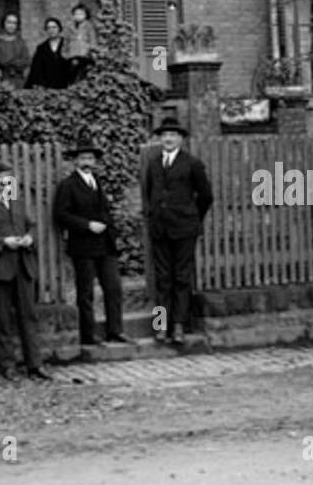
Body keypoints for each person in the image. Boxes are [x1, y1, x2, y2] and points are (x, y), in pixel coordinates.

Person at [0, 160, 51, 380]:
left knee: (28, 317)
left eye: (6, 175)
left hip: (23, 267)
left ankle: (35, 365)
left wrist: (29, 238)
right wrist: (4, 242)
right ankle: (7, 365)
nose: (3, 180)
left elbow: (32, 225)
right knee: (2, 319)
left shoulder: (17, 201)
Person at [140, 117, 213, 345]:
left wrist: (191, 218)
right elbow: (149, 193)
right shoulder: (152, 163)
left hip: (184, 230)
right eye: (164, 135)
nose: (168, 139)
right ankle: (160, 326)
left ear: (180, 139)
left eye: (173, 135)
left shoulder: (192, 163)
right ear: (160, 139)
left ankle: (179, 326)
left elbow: (206, 196)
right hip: (160, 230)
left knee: (182, 278)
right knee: (162, 280)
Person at [53, 140, 129, 347]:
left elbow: (105, 210)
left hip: (105, 245)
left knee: (113, 288)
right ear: (75, 161)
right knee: (85, 292)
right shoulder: (67, 185)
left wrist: (110, 231)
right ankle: (88, 335)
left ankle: (115, 330)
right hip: (83, 246)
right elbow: (61, 215)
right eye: (83, 158)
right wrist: (87, 225)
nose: (87, 162)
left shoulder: (97, 181)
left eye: (90, 158)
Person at [24, 17, 71, 89]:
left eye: (54, 27)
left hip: (66, 85)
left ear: (59, 28)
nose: (51, 30)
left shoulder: (68, 44)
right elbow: (36, 69)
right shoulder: (41, 48)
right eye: (48, 28)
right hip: (47, 87)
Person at [0, 12, 30, 87]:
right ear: (4, 23)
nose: (11, 25)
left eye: (14, 23)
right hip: (3, 79)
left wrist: (12, 62)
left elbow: (26, 60)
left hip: (19, 79)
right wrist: (16, 61)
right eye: (9, 22)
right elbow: (2, 61)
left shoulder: (21, 42)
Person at [64, 2, 98, 83]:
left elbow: (92, 39)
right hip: (73, 54)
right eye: (76, 14)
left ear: (86, 15)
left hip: (85, 53)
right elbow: (66, 41)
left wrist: (92, 51)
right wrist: (65, 54)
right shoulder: (69, 27)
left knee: (83, 72)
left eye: (81, 14)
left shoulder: (89, 26)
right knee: (72, 72)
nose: (78, 16)